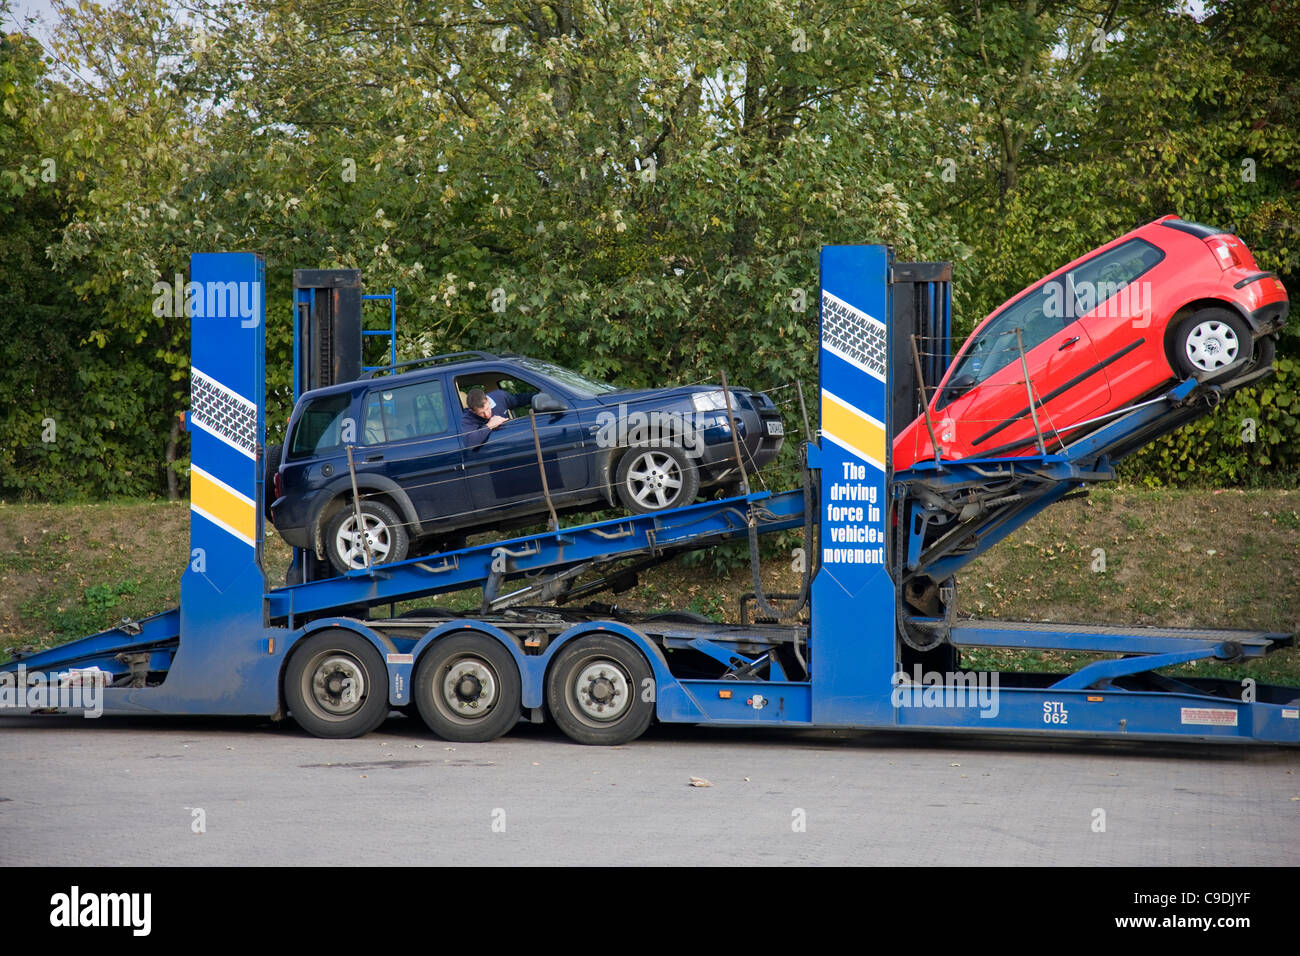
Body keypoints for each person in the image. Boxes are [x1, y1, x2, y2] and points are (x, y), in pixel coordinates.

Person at [461, 386, 536, 448]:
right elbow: (469, 442)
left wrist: (537, 396)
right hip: (493, 451)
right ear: (472, 411)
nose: (487, 414)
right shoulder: (468, 419)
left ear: (488, 400)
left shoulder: (500, 396)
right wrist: (489, 425)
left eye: (487, 408)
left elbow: (518, 400)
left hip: (514, 441)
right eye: (481, 413)